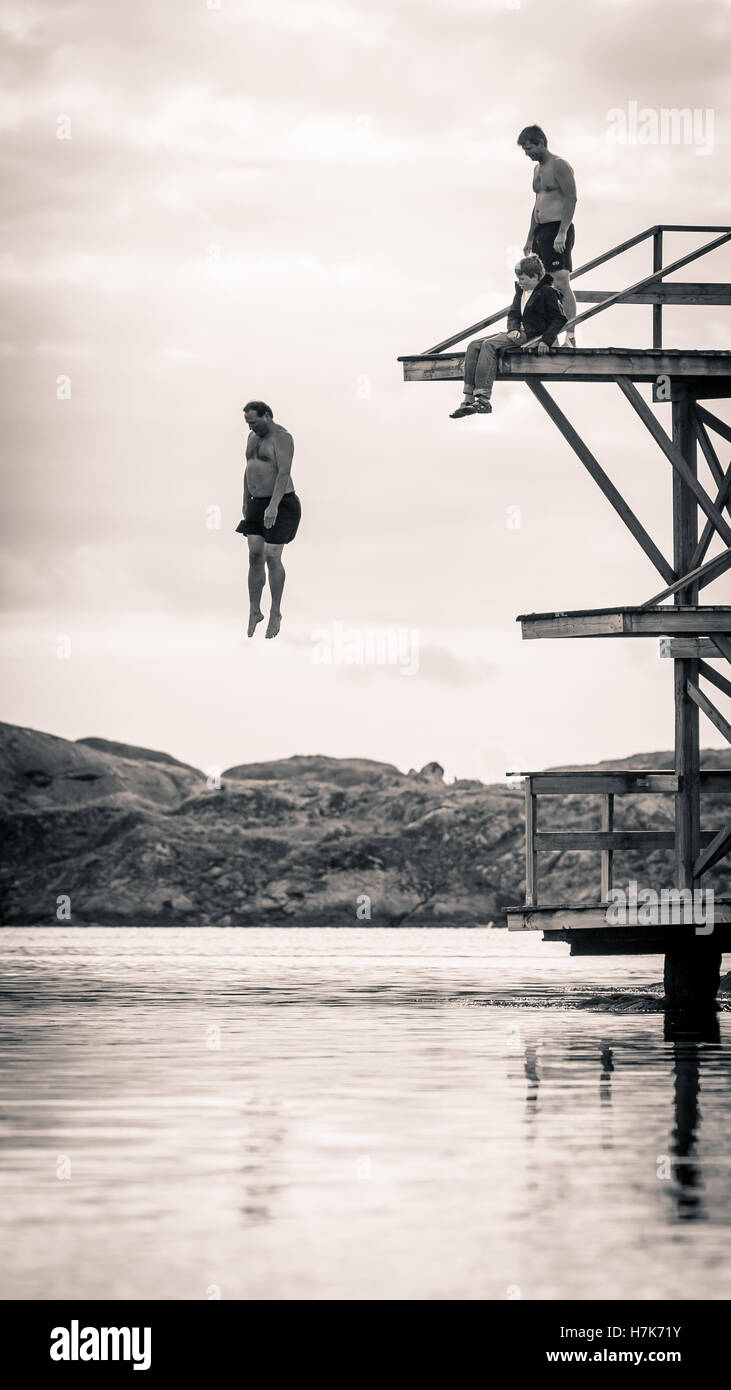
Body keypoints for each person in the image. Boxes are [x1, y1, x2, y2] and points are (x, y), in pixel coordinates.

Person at [450, 255, 565, 418]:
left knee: (489, 345)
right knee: (474, 345)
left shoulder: (548, 292)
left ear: (535, 277)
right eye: (518, 279)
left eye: (523, 279)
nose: (520, 282)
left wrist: (546, 340)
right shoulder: (521, 292)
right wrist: (512, 329)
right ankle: (468, 398)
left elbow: (559, 318)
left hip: (532, 337)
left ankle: (483, 399)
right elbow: (513, 314)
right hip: (519, 333)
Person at [236, 401, 301, 639]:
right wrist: (246, 500)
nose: (250, 427)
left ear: (267, 416)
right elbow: (248, 469)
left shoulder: (282, 437)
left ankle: (275, 611)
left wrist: (273, 506)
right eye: (247, 423)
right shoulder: (251, 438)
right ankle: (255, 610)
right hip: (255, 503)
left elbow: (283, 472)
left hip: (281, 503)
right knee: (255, 556)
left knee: (272, 556)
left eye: (254, 422)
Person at [517, 125, 578, 347]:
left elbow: (571, 198)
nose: (527, 154)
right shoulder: (537, 170)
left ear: (541, 143)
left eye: (529, 148)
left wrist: (562, 232)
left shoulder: (559, 165)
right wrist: (529, 237)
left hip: (557, 229)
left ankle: (570, 336)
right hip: (541, 232)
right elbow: (537, 205)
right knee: (542, 285)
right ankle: (549, 337)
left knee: (561, 281)